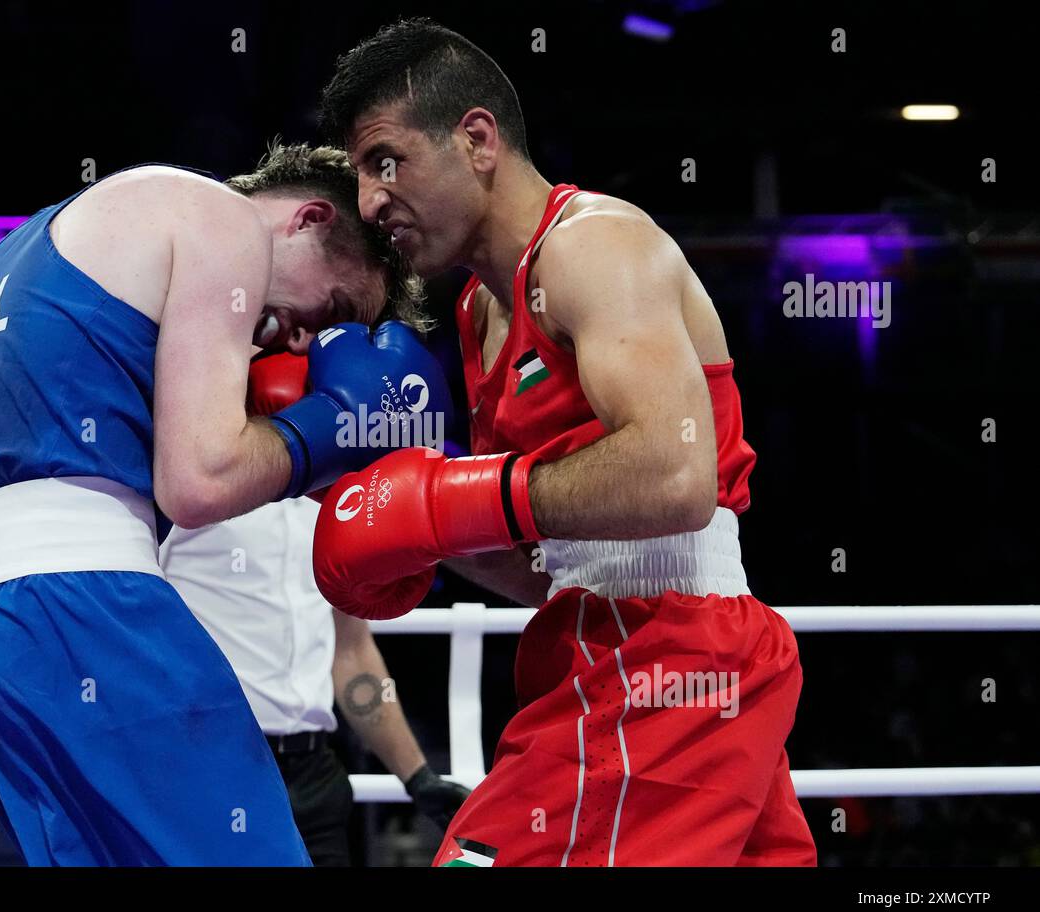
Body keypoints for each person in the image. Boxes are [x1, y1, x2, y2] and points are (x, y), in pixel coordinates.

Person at [311, 19, 817, 866]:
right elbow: (544, 552)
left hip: (668, 649)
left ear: (476, 139)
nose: (369, 203)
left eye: (385, 162)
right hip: (596, 640)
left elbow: (674, 473)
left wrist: (452, 500)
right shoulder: (479, 311)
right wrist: (415, 527)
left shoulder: (594, 246)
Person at [0, 143, 452, 865]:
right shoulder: (219, 216)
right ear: (308, 219)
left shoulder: (29, 244)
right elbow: (199, 482)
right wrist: (340, 426)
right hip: (84, 606)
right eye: (329, 308)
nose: (302, 340)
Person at [160, 349, 470, 865]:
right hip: (211, 765)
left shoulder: (333, 503)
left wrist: (417, 777)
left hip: (316, 776)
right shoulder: (190, 490)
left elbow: (350, 653)